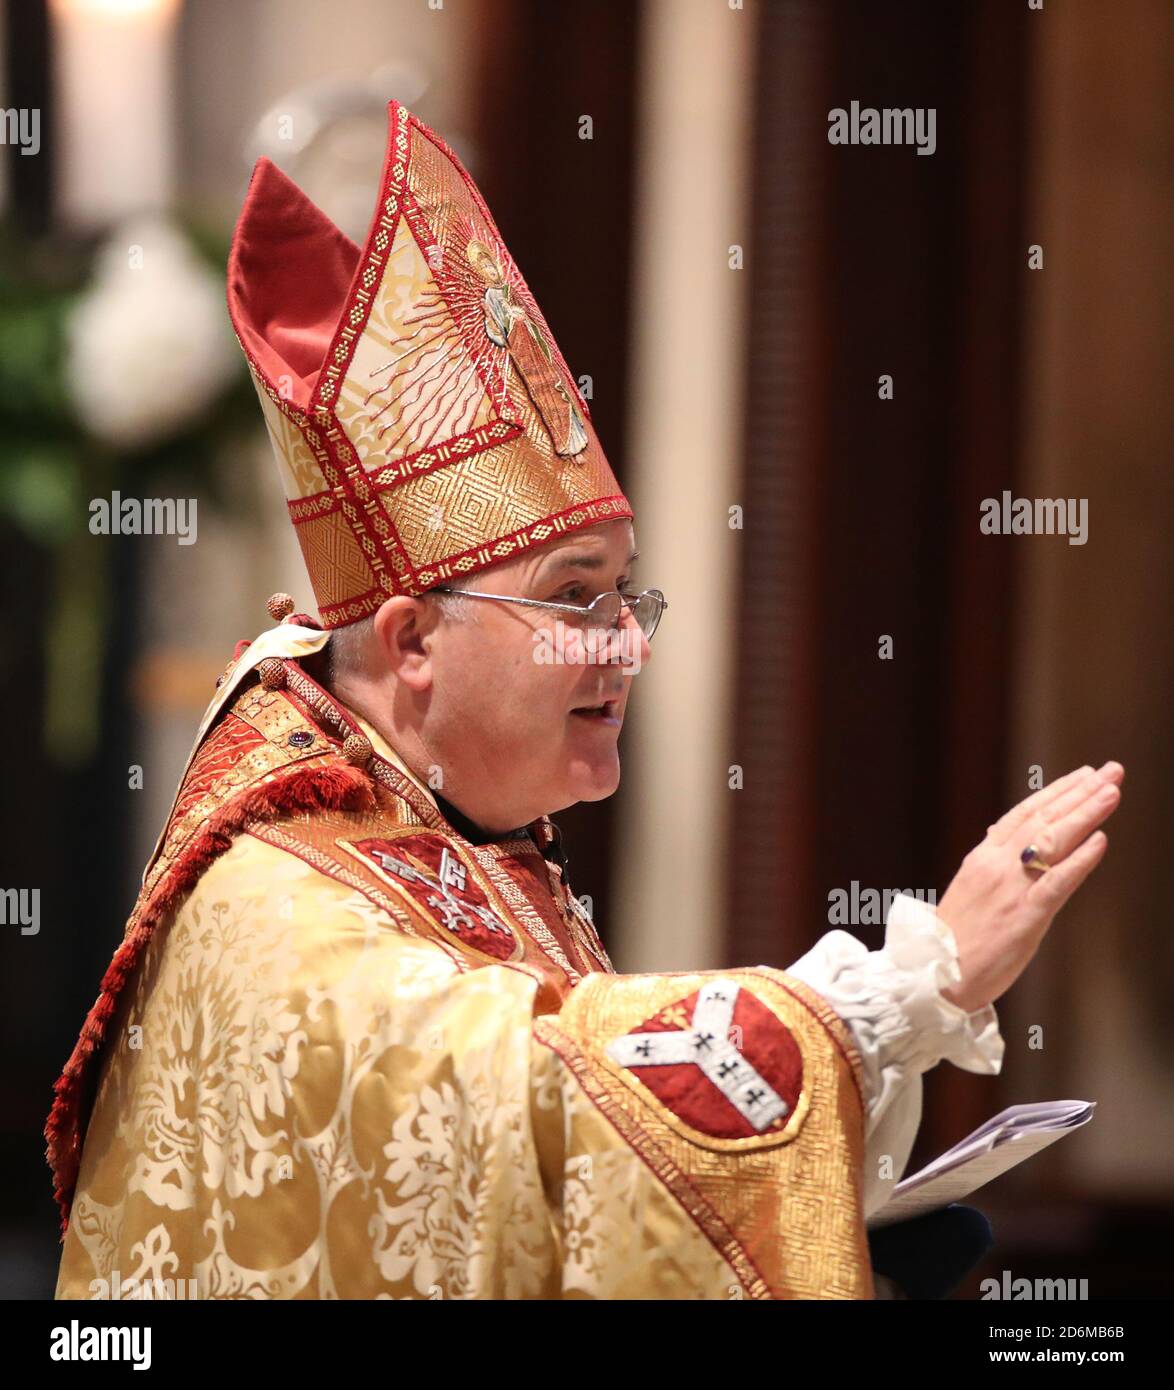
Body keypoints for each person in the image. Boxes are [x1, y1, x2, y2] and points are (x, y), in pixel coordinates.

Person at [45, 99, 1123, 1300]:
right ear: (410, 642)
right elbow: (532, 1099)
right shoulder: (277, 895)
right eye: (575, 599)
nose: (625, 645)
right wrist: (911, 985)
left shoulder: (448, 827)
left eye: (627, 594)